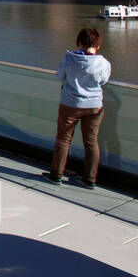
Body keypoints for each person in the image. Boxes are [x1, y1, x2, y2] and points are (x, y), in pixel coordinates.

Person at [46, 26, 112, 188]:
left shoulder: (69, 58)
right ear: (98, 46)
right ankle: (89, 179)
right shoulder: (103, 63)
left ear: (79, 42)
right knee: (91, 141)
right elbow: (104, 81)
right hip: (94, 105)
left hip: (70, 103)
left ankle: (56, 175)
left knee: (63, 139)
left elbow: (59, 77)